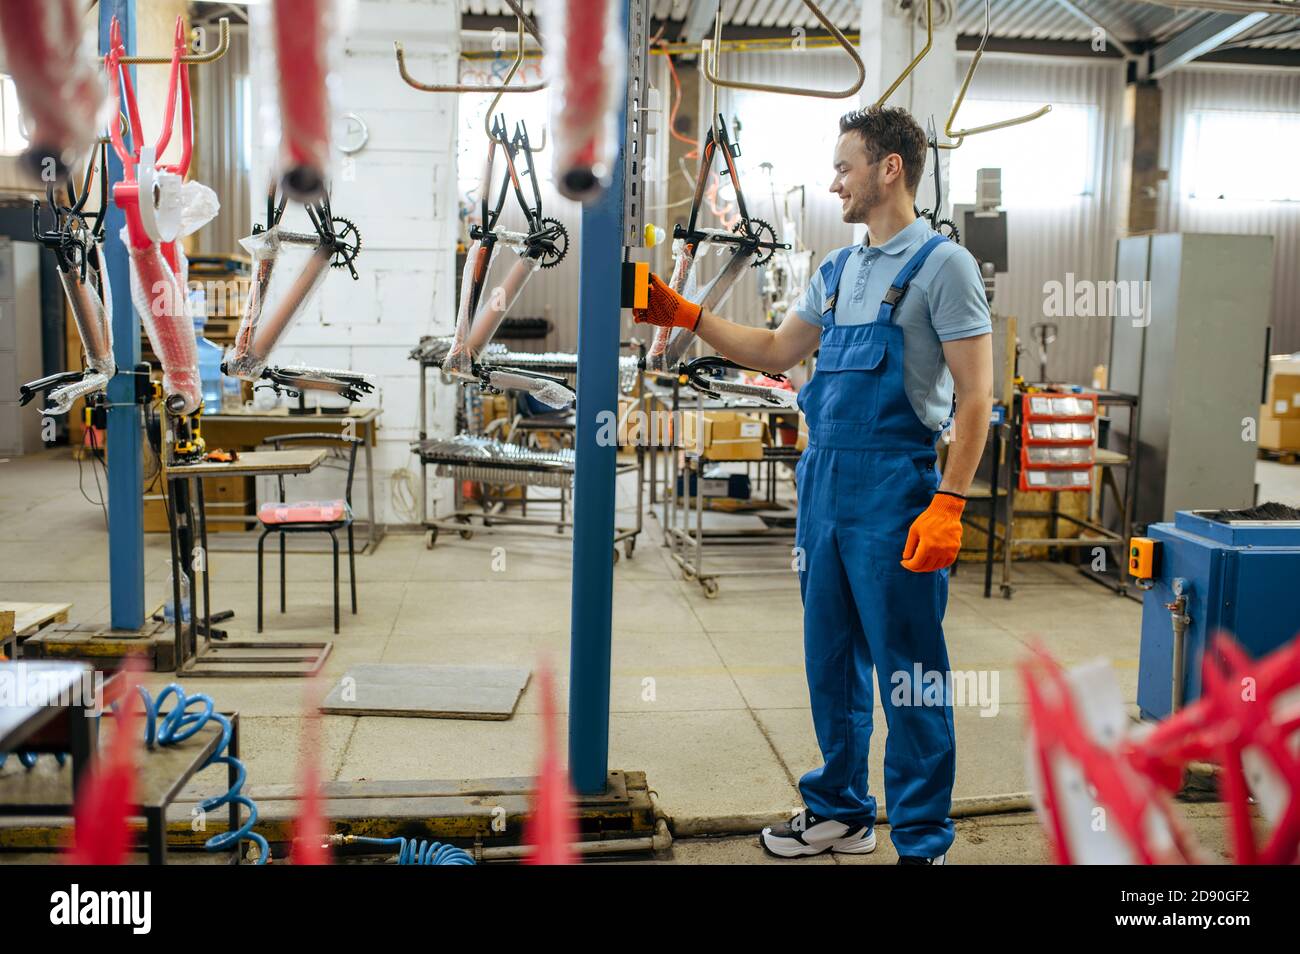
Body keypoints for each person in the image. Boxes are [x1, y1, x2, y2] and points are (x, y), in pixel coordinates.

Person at [633, 106, 994, 865]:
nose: (834, 183)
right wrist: (688, 315)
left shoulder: (945, 266)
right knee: (830, 660)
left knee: (910, 672)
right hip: (824, 483)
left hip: (896, 489)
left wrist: (951, 502)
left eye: (843, 168)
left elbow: (975, 398)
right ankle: (841, 811)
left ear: (889, 169)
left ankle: (922, 842)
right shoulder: (837, 270)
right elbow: (775, 349)